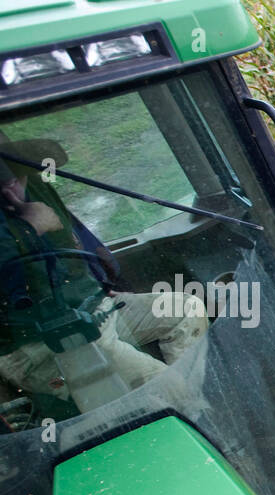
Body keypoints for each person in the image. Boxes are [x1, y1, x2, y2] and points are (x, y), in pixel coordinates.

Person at [0, 142, 206, 413]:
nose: (6, 189)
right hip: (39, 343)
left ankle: (181, 405)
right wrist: (29, 228)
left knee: (186, 309)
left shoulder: (37, 192)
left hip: (90, 311)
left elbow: (68, 257)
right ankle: (188, 414)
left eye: (12, 178)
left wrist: (96, 289)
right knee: (166, 388)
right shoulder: (20, 215)